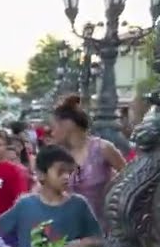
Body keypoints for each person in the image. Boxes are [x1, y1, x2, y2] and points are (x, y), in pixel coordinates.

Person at [49, 94, 125, 224]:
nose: (52, 133)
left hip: (102, 229)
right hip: (66, 229)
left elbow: (130, 179)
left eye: (54, 127)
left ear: (67, 125)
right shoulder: (56, 155)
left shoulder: (103, 149)